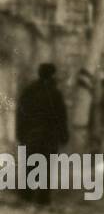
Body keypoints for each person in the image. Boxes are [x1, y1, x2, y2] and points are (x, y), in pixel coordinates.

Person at [16, 63, 69, 205]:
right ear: (52, 75)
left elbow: (21, 114)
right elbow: (61, 117)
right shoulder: (55, 93)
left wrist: (20, 133)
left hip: (30, 134)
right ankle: (43, 199)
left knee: (29, 164)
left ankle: (26, 196)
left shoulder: (29, 91)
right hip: (49, 136)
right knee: (47, 166)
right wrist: (64, 135)